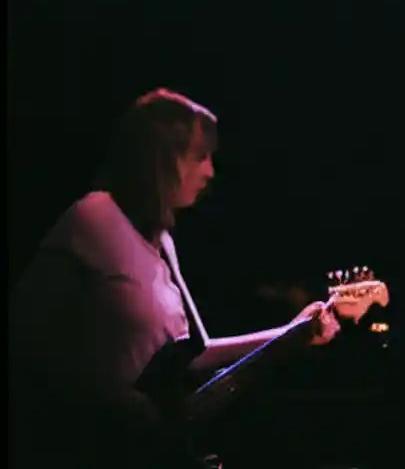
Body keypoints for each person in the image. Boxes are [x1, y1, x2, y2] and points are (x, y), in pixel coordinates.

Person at [7, 88, 341, 468]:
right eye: (200, 156)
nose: (211, 171)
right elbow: (23, 333)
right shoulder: (94, 217)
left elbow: (191, 354)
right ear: (162, 159)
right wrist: (111, 400)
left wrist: (290, 333)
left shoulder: (162, 240)